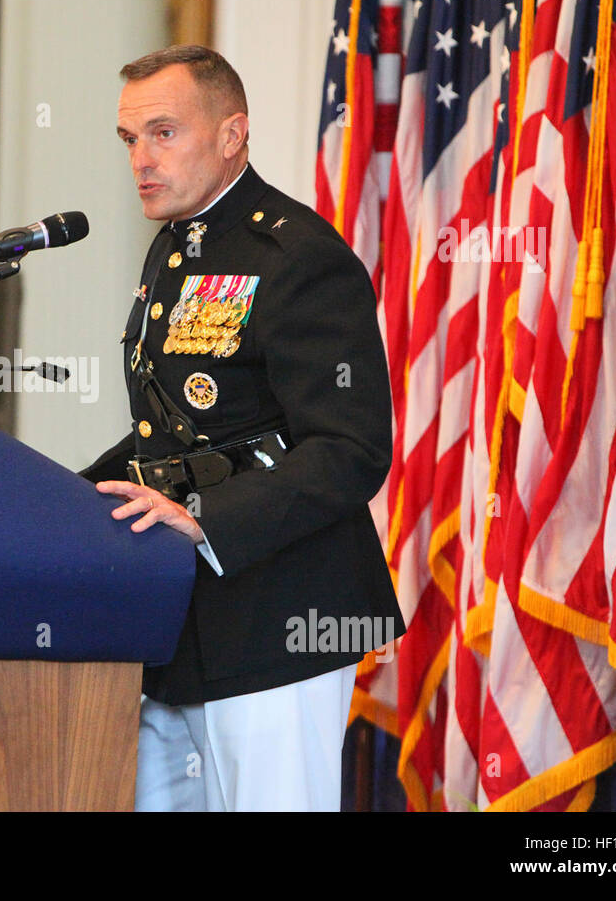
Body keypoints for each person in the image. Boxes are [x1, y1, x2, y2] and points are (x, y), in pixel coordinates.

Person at [80, 45, 405, 811]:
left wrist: (201, 520)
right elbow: (177, 434)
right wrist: (57, 496)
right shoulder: (176, 252)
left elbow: (350, 448)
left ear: (233, 135)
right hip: (181, 628)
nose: (141, 160)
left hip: (283, 620)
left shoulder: (294, 255)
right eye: (130, 140)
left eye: (164, 133)